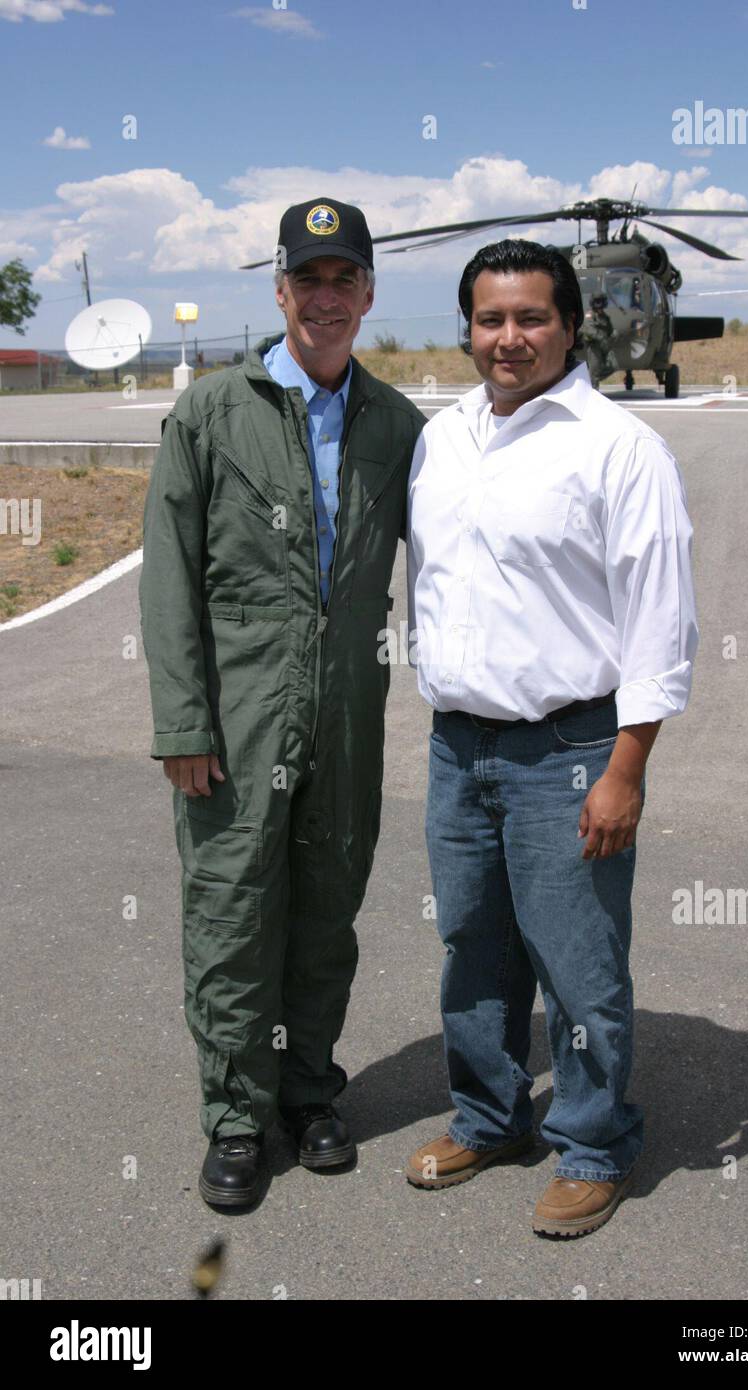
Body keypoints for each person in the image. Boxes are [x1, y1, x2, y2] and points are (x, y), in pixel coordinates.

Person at [404, 239, 698, 1238]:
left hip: (569, 746)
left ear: (569, 325)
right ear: (467, 329)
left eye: (530, 317)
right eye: (489, 319)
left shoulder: (617, 448)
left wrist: (625, 769)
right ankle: (487, 1118)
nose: (508, 338)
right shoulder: (441, 439)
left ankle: (591, 1141)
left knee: (576, 957)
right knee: (472, 947)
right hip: (456, 746)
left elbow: (659, 625)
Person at [139, 197, 425, 1209]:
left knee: (324, 914)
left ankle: (307, 1094)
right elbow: (166, 576)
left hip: (346, 716)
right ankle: (232, 1116)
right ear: (279, 290)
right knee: (231, 915)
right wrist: (182, 720)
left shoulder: (396, 425)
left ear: (367, 294)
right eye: (308, 279)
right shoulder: (212, 413)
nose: (326, 297)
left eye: (344, 279)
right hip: (236, 716)